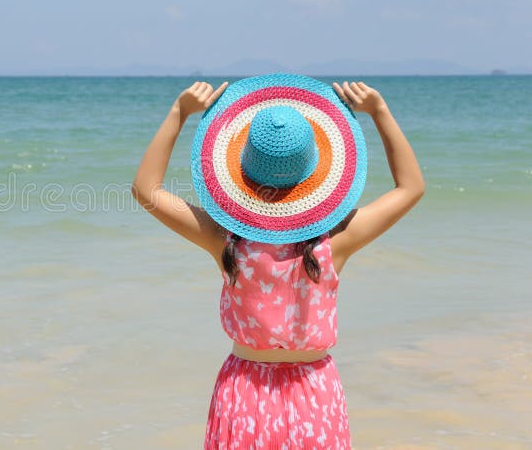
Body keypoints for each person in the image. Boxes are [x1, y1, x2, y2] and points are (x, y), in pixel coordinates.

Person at [131, 75, 424, 448]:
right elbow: (411, 187)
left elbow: (146, 190)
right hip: (315, 392)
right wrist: (379, 112)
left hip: (244, 391)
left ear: (242, 171)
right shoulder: (334, 243)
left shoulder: (227, 242)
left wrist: (179, 113)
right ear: (315, 172)